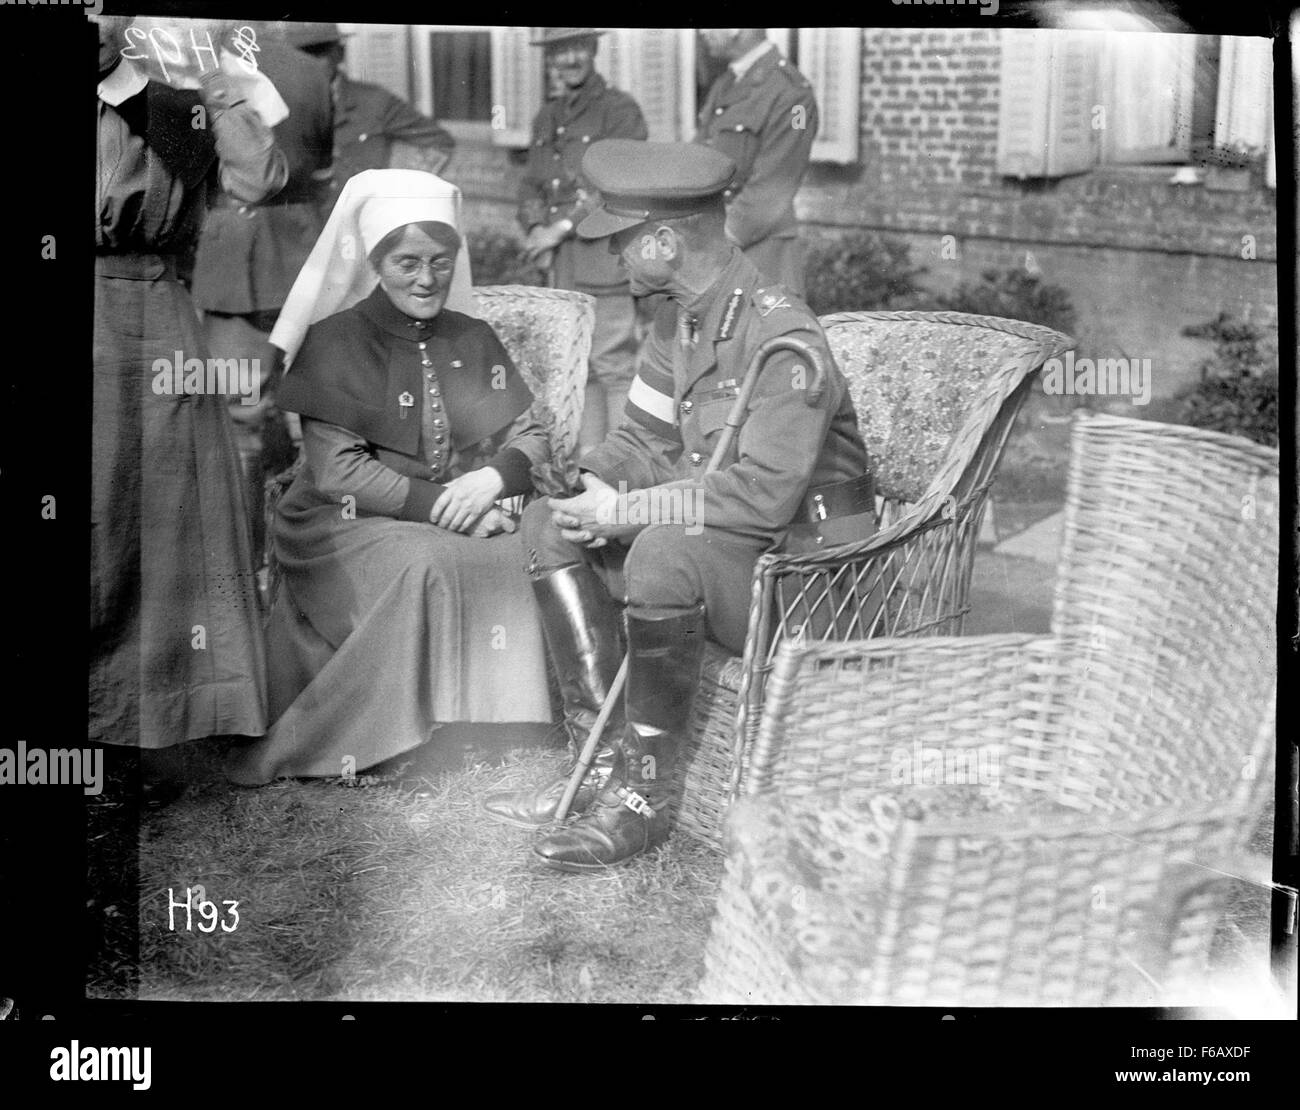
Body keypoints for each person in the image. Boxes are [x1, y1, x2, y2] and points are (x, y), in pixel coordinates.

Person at [482, 141, 875, 871]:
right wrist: (591, 486)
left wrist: (632, 515)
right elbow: (641, 438)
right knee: (549, 524)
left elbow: (761, 499)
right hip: (732, 552)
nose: (614, 259)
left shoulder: (784, 338)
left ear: (664, 242)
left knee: (662, 551)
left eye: (622, 241)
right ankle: (597, 764)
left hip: (809, 579)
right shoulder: (678, 324)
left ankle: (643, 798)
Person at [226, 170, 553, 786]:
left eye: (440, 261)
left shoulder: (471, 336)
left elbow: (531, 434)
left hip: (449, 507)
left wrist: (490, 480)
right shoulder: (334, 339)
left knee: (522, 548)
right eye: (406, 263)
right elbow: (339, 472)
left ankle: (483, 722)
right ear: (377, 263)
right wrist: (450, 507)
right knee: (427, 562)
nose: (426, 279)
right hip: (334, 520)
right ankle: (393, 734)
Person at [93, 17, 285, 780]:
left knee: (164, 520)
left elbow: (257, 178)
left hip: (155, 319)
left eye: (104, 7)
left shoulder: (172, 107)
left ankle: (154, 716)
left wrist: (211, 84)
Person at [189, 22, 336, 568]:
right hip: (304, 251)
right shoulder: (309, 69)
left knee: (241, 417)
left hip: (234, 260)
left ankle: (249, 561)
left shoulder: (192, 63)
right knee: (319, 416)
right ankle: (317, 556)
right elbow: (322, 163)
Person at [518, 28, 648, 454]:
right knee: (580, 368)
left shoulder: (619, 110)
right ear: (550, 59)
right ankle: (590, 465)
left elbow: (619, 180)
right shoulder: (547, 116)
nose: (569, 59)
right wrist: (536, 227)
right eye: (560, 51)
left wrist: (560, 228)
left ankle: (621, 466)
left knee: (613, 366)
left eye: (577, 48)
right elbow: (533, 183)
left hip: (602, 257)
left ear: (592, 50)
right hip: (561, 265)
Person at [695, 29, 818, 297]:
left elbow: (774, 185)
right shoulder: (726, 83)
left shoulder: (794, 95)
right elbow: (698, 160)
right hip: (717, 246)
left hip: (761, 254)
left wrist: (715, 243)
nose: (702, 32)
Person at [290, 23, 457, 197]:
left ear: (339, 53)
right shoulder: (280, 105)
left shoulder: (374, 101)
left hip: (362, 215)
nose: (308, 61)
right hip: (303, 218)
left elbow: (438, 142)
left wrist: (397, 192)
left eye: (319, 52)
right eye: (300, 53)